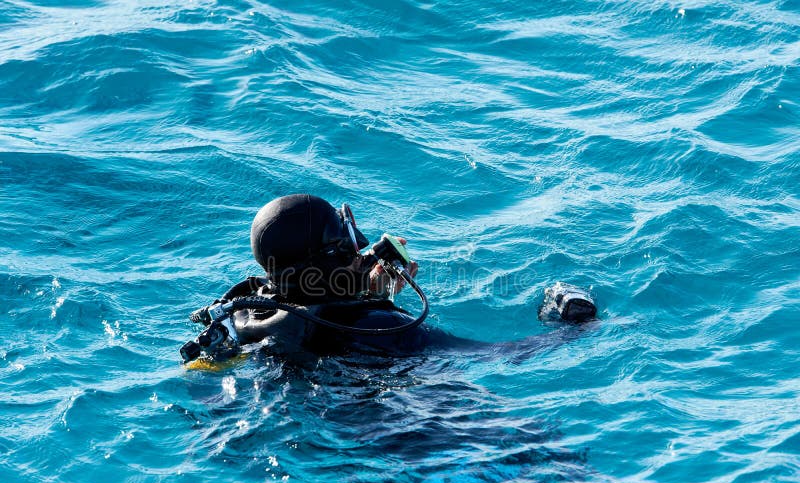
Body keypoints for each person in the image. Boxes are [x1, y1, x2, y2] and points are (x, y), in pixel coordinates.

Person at [181, 194, 596, 363]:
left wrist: (366, 296)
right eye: (345, 245)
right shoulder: (383, 326)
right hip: (423, 434)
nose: (360, 252)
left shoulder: (250, 316)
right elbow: (497, 356)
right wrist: (573, 324)